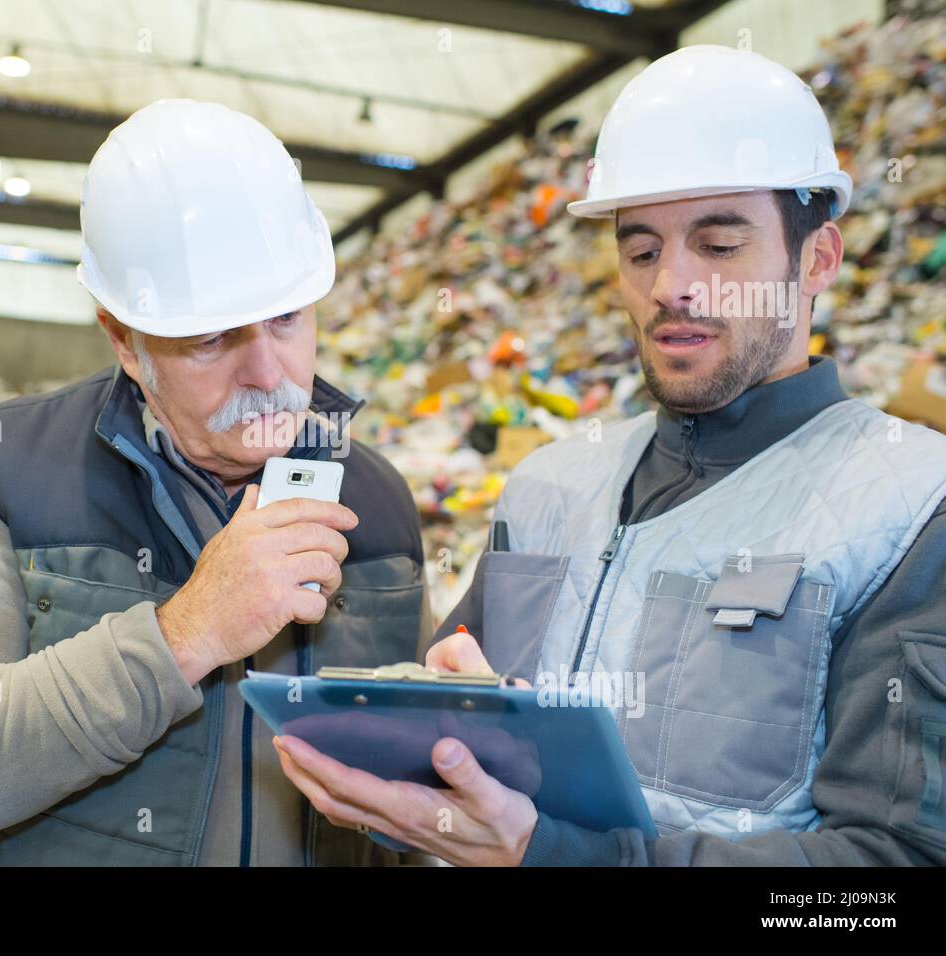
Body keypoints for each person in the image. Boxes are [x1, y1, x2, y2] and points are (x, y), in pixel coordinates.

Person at [274, 45, 946, 866]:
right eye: (641, 250)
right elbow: (446, 754)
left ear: (818, 261)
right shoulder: (548, 487)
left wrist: (558, 855)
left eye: (720, 245)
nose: (672, 284)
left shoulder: (910, 509)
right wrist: (394, 755)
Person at [0, 99, 431, 866]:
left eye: (287, 318)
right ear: (123, 338)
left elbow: (417, 810)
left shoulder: (378, 504)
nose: (268, 373)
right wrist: (184, 635)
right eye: (212, 337)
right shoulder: (8, 471)